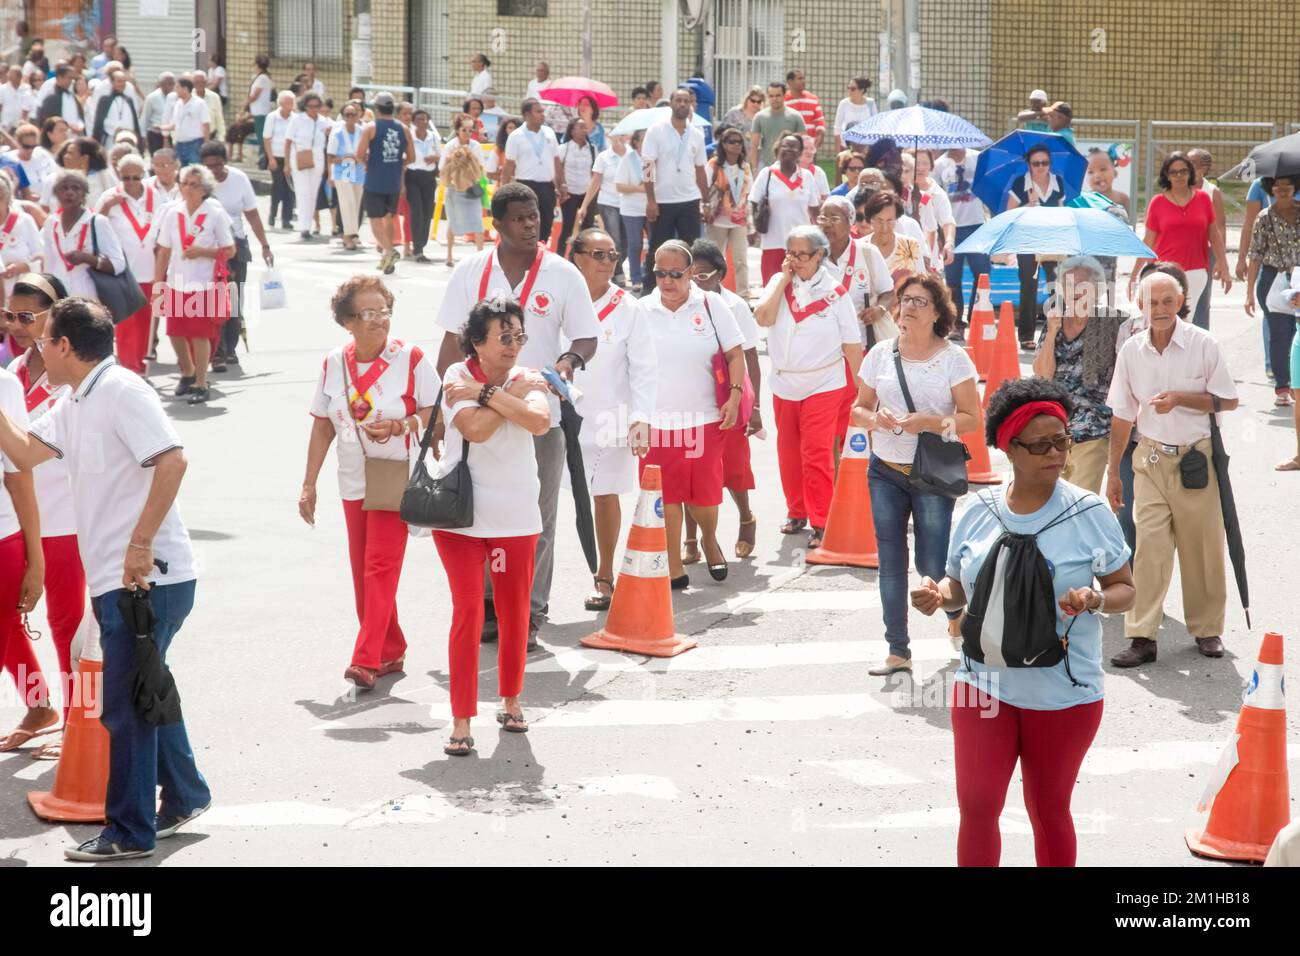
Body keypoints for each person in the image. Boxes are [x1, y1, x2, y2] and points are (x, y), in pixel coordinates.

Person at [0, 296, 210, 861]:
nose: (37, 346)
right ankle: (186, 794)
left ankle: (128, 832)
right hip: (119, 580)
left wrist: (141, 545)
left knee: (123, 708)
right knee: (145, 691)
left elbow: (173, 460)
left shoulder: (122, 391)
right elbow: (20, 452)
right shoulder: (73, 401)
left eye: (44, 339)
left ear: (65, 346)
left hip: (149, 579)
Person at [913, 377, 1134, 866]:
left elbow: (1125, 588)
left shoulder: (1089, 511)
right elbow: (958, 587)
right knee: (976, 805)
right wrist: (936, 595)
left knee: (1048, 809)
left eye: (1062, 440)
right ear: (1008, 448)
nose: (1056, 453)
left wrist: (1095, 598)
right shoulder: (975, 510)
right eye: (1040, 445)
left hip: (1063, 691)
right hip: (981, 684)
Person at [435, 183, 599, 643]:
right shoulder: (470, 270)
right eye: (521, 218)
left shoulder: (563, 273)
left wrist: (568, 363)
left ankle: (528, 611)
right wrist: (437, 409)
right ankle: (490, 605)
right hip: (478, 409)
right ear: (498, 223)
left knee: (537, 513)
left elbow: (587, 336)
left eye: (536, 217)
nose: (532, 225)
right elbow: (451, 341)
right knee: (480, 507)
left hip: (535, 408)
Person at [300, 276, 437, 690]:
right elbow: (323, 426)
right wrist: (309, 484)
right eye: (368, 314)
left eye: (384, 311)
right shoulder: (333, 363)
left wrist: (402, 424)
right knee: (362, 571)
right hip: (353, 478)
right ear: (347, 322)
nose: (380, 321)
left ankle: (366, 658)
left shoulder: (410, 358)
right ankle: (391, 646)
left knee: (380, 567)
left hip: (395, 473)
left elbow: (437, 410)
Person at [1105, 269, 1239, 668]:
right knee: (1149, 549)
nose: (1160, 309)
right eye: (1151, 302)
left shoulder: (1203, 344)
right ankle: (1142, 636)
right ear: (1140, 306)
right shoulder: (1131, 350)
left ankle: (1207, 628)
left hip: (1195, 460)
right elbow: (1121, 415)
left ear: (1180, 302)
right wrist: (1113, 472)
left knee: (1201, 549)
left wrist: (1182, 398)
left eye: (1167, 301)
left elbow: (1227, 401)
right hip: (1148, 459)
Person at [434, 297, 550, 755]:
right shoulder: (455, 375)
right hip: (460, 515)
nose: (514, 346)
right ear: (477, 342)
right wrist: (508, 399)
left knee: (514, 611)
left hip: (516, 517)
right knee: (467, 613)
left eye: (519, 336)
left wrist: (486, 395)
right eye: (504, 337)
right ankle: (461, 718)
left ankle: (511, 699)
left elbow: (539, 422)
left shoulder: (526, 377)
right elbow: (476, 432)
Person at [855, 273, 980, 674]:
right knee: (891, 562)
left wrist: (928, 421)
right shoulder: (879, 354)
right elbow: (857, 410)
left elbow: (971, 420)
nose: (908, 306)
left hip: (932, 478)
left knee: (933, 563)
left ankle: (955, 613)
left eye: (920, 301)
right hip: (885, 471)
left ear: (938, 311)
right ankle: (898, 649)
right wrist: (876, 419)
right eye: (905, 299)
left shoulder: (953, 358)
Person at [0, 273, 85, 757]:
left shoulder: (72, 376)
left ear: (56, 314)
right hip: (19, 518)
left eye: (28, 316)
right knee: (10, 619)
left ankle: (77, 725)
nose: (17, 325)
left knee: (66, 624)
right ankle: (39, 707)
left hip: (65, 517)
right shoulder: (12, 372)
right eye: (11, 315)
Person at [638, 240, 745, 587]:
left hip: (704, 418)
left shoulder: (712, 305)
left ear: (690, 274)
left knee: (704, 494)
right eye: (660, 273)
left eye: (675, 274)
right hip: (658, 422)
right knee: (665, 495)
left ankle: (709, 540)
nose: (667, 281)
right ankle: (673, 565)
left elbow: (734, 353)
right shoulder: (640, 309)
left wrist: (735, 394)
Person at [755, 225, 863, 550]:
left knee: (816, 452)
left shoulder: (836, 293)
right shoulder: (779, 282)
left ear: (819, 255)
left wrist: (862, 391)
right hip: (785, 381)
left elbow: (852, 344)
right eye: (791, 253)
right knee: (788, 451)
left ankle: (821, 520)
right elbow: (762, 317)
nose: (795, 260)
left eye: (802, 255)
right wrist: (784, 281)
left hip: (824, 382)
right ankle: (796, 510)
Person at [568, 228, 656, 607]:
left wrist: (641, 417)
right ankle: (530, 586)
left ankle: (604, 575)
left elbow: (645, 367)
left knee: (604, 495)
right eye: (598, 254)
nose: (608, 262)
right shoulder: (559, 299)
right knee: (542, 502)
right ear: (578, 257)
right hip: (559, 417)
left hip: (610, 418)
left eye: (612, 255)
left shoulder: (627, 306)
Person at [683, 238, 763, 560]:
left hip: (729, 397)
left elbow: (751, 359)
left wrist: (753, 406)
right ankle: (694, 540)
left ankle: (746, 517)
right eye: (691, 275)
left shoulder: (735, 306)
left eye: (703, 275)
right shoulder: (677, 304)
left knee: (733, 467)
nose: (696, 282)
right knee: (690, 470)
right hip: (690, 400)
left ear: (720, 275)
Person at [1031, 255, 1126, 493]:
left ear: (1097, 290)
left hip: (1094, 426)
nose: (1074, 292)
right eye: (1068, 285)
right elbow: (1043, 376)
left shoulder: (1114, 323)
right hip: (1056, 425)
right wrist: (1052, 332)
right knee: (1049, 498)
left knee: (1078, 500)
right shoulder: (1055, 321)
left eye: (1081, 285)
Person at [154, 164, 235, 405]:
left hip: (203, 283)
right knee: (175, 332)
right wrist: (158, 283)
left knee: (200, 335)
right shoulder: (173, 212)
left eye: (194, 185)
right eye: (184, 183)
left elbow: (230, 250)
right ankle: (187, 373)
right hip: (177, 281)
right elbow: (164, 250)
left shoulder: (215, 213)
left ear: (204, 189)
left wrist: (203, 251)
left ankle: (201, 381)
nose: (187, 189)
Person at [1130, 152, 1231, 327]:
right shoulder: (1157, 202)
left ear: (1190, 173)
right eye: (1174, 172)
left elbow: (1214, 236)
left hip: (1196, 272)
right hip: (1163, 272)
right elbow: (1148, 241)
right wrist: (1134, 275)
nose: (1179, 176)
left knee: (1185, 323)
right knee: (1161, 322)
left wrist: (1224, 266)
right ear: (1166, 176)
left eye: (1183, 171)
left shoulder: (1203, 199)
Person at [198, 141, 274, 370]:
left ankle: (229, 349)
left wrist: (265, 245)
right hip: (209, 249)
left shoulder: (239, 179)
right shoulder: (197, 181)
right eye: (209, 166)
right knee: (213, 300)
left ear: (226, 162)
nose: (213, 171)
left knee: (233, 298)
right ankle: (216, 350)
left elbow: (252, 213)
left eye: (218, 165)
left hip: (236, 245)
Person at [641, 88, 709, 293]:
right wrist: (651, 200)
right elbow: (647, 167)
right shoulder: (656, 130)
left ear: (691, 105)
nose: (682, 104)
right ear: (671, 103)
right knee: (657, 248)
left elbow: (700, 170)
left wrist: (705, 201)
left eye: (686, 101)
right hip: (663, 200)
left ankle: (690, 289)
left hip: (689, 199)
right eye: (678, 100)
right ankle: (649, 290)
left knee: (691, 248)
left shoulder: (696, 134)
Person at [94, 154, 157, 373]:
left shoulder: (154, 196)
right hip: (123, 271)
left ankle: (139, 365)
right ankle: (130, 368)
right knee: (126, 323)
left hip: (149, 269)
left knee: (145, 323)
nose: (131, 182)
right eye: (126, 177)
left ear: (143, 176)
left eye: (135, 178)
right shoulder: (110, 196)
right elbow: (94, 227)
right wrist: (108, 206)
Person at [1244, 174, 1300, 414]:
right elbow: (1255, 254)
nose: (1283, 188)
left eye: (1287, 184)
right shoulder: (1264, 218)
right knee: (1279, 334)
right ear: (1270, 188)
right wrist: (1248, 293)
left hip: (1299, 276)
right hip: (1272, 280)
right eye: (1277, 185)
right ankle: (1283, 387)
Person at [816, 195, 896, 355]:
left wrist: (879, 309)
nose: (827, 224)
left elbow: (889, 293)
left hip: (860, 346)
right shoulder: (813, 255)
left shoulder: (868, 252)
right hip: (822, 349)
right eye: (823, 218)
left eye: (834, 218)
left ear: (849, 222)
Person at [1006, 144, 1066, 349]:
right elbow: (1009, 215)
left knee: (1056, 286)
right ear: (1029, 165)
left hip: (1052, 239)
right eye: (1036, 163)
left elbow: (1061, 210)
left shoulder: (1058, 182)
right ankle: (1026, 335)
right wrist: (1028, 206)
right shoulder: (1020, 184)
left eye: (1045, 163)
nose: (1041, 167)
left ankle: (1057, 332)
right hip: (1027, 240)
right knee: (1028, 286)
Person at [40, 170, 125, 300]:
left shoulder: (97, 222)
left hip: (91, 300)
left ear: (84, 193)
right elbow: (48, 266)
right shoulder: (51, 223)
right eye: (64, 188)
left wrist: (88, 259)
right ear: (56, 193)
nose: (69, 192)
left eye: (76, 188)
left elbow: (118, 264)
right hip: (60, 300)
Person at [355, 91, 413, 274]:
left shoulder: (370, 128)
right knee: (388, 217)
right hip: (394, 180)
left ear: (377, 108)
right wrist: (397, 164)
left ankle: (389, 250)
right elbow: (412, 157)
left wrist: (368, 163)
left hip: (374, 179)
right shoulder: (403, 128)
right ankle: (387, 258)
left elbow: (358, 154)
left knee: (374, 220)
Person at [750, 133, 819, 285]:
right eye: (784, 146)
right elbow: (754, 202)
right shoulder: (767, 174)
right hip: (773, 243)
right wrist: (754, 228)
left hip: (801, 247)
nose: (788, 149)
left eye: (793, 147)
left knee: (801, 288)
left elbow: (815, 211)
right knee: (772, 288)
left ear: (800, 153)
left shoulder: (806, 177)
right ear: (778, 149)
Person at [933, 146, 989, 332]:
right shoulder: (939, 165)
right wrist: (940, 236)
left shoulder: (978, 158)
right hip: (951, 228)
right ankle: (956, 322)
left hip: (977, 225)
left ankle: (976, 318)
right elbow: (934, 197)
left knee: (982, 274)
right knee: (953, 279)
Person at [501, 98, 562, 244]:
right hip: (526, 185)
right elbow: (508, 165)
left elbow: (556, 160)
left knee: (546, 221)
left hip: (547, 185)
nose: (543, 114)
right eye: (538, 111)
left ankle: (540, 253)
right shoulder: (516, 136)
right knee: (526, 221)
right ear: (527, 114)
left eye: (542, 111)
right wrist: (504, 189)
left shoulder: (549, 133)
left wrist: (561, 185)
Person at [704, 126, 752, 298]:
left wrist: (750, 222)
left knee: (741, 259)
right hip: (717, 219)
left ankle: (743, 295)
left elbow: (749, 194)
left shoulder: (745, 166)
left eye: (739, 142)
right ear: (723, 144)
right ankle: (714, 294)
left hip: (739, 220)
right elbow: (704, 188)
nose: (736, 145)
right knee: (716, 260)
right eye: (732, 141)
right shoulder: (713, 165)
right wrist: (705, 208)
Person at [576, 133, 629, 285]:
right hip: (608, 202)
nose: (618, 139)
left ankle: (616, 265)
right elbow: (595, 182)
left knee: (628, 241)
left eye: (621, 136)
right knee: (615, 239)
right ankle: (618, 272)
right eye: (615, 136)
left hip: (629, 204)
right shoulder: (603, 157)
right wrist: (584, 206)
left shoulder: (631, 155)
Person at [439, 113, 487, 267]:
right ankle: (449, 255)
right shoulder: (450, 146)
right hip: (454, 189)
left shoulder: (475, 146)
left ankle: (480, 256)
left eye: (470, 130)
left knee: (478, 223)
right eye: (463, 129)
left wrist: (469, 164)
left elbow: (480, 167)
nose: (467, 133)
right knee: (453, 222)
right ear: (457, 130)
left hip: (471, 189)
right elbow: (442, 168)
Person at [1083, 147, 1130, 306]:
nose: (1097, 175)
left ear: (1115, 172)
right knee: (1087, 289)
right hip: (1087, 254)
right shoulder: (1084, 200)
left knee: (1109, 284)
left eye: (1103, 169)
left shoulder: (1121, 198)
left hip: (1109, 253)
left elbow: (1127, 225)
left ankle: (1109, 316)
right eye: (1091, 172)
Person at [1187, 148, 1226, 329]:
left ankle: (1201, 338)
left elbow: (1220, 226)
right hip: (1181, 250)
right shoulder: (1179, 189)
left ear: (1204, 169)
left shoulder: (1212, 192)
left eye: (1193, 164)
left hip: (1204, 252)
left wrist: (1220, 260)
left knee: (1202, 298)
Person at [285, 93, 328, 243]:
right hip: (299, 158)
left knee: (313, 194)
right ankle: (304, 228)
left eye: (317, 106)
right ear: (305, 106)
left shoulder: (324, 121)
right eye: (311, 106)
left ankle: (308, 225)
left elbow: (335, 129)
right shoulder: (297, 119)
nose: (314, 109)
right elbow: (288, 141)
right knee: (303, 192)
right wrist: (286, 164)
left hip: (317, 159)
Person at [863, 189, 927, 287]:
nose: (884, 228)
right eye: (879, 221)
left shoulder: (910, 246)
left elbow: (922, 283)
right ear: (871, 220)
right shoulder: (860, 248)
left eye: (890, 221)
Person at [327, 101, 365, 251]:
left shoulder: (363, 131)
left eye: (353, 114)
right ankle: (348, 235)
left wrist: (360, 158)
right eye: (347, 115)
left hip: (359, 171)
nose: (350, 117)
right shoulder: (337, 133)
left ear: (358, 115)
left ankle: (352, 234)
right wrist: (344, 159)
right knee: (347, 202)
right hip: (343, 171)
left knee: (355, 203)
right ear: (342, 117)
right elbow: (330, 157)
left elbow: (367, 152)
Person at [557, 117, 597, 254]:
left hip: (587, 193)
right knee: (567, 228)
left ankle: (583, 258)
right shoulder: (564, 148)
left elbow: (595, 172)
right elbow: (557, 169)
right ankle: (560, 257)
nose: (584, 130)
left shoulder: (592, 149)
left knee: (587, 229)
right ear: (572, 130)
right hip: (570, 193)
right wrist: (561, 187)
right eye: (580, 127)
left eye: (585, 127)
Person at [404, 108, 440, 263]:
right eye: (419, 119)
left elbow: (440, 155)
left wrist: (435, 158)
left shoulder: (433, 137)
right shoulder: (409, 137)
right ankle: (417, 248)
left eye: (425, 119)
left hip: (428, 176)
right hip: (412, 176)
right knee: (416, 211)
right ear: (413, 122)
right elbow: (404, 158)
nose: (423, 122)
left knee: (427, 211)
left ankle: (421, 243)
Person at [0, 173, 44, 296]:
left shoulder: (24, 221)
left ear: (7, 199)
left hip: (21, 296)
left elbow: (40, 258)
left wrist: (20, 267)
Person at [616, 129, 649, 290]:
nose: (647, 142)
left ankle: (647, 273)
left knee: (655, 242)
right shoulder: (627, 159)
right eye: (643, 139)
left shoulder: (651, 158)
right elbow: (620, 186)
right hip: (632, 209)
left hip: (650, 207)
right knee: (635, 244)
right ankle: (636, 278)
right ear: (636, 142)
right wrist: (639, 188)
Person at [749, 82, 806, 173]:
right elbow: (754, 145)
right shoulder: (759, 117)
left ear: (784, 95)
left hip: (792, 168)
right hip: (767, 168)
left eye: (777, 95)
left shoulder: (796, 117)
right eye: (771, 96)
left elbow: (803, 144)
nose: (774, 99)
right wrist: (754, 169)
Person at [262, 91, 296, 231]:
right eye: (287, 102)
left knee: (290, 189)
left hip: (291, 157)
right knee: (278, 187)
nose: (290, 105)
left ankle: (286, 218)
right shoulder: (272, 117)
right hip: (276, 155)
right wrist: (271, 158)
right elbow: (267, 138)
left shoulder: (295, 118)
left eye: (291, 102)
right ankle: (273, 214)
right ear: (280, 103)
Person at [162, 77, 209, 166]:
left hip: (195, 144)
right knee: (181, 170)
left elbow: (206, 124)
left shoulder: (199, 103)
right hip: (179, 144)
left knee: (195, 169)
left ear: (185, 89)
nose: (175, 90)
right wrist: (161, 128)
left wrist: (206, 145)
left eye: (177, 88)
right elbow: (174, 125)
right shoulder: (178, 104)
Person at [89, 70, 140, 147]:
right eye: (119, 81)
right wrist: (115, 128)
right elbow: (100, 121)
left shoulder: (129, 100)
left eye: (124, 81)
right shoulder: (105, 100)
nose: (122, 84)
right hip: (111, 140)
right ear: (112, 83)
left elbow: (134, 122)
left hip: (130, 140)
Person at [37, 64, 85, 135]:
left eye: (72, 78)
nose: (71, 81)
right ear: (59, 78)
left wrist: (80, 126)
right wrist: (68, 127)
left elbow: (79, 117)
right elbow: (48, 121)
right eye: (68, 78)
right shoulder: (51, 98)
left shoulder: (72, 97)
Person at [783, 69, 825, 149]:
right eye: (799, 79)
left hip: (809, 145)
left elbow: (819, 121)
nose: (803, 81)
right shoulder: (784, 100)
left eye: (803, 78)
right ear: (790, 82)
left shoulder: (813, 99)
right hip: (790, 145)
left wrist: (820, 135)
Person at [833, 75, 877, 151]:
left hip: (865, 146)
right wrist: (838, 152)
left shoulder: (871, 103)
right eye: (848, 88)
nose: (849, 91)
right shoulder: (844, 104)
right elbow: (837, 128)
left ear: (862, 90)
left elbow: (876, 125)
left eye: (853, 89)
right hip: (847, 145)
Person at [140, 72, 174, 155]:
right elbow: (145, 117)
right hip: (156, 135)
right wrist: (143, 137)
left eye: (173, 83)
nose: (171, 86)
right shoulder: (152, 98)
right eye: (169, 83)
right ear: (161, 84)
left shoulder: (176, 97)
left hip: (172, 135)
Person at [485, 116, 518, 185]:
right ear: (504, 131)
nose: (513, 130)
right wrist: (506, 179)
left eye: (515, 128)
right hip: (503, 189)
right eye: (510, 128)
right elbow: (489, 173)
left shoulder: (524, 148)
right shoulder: (498, 150)